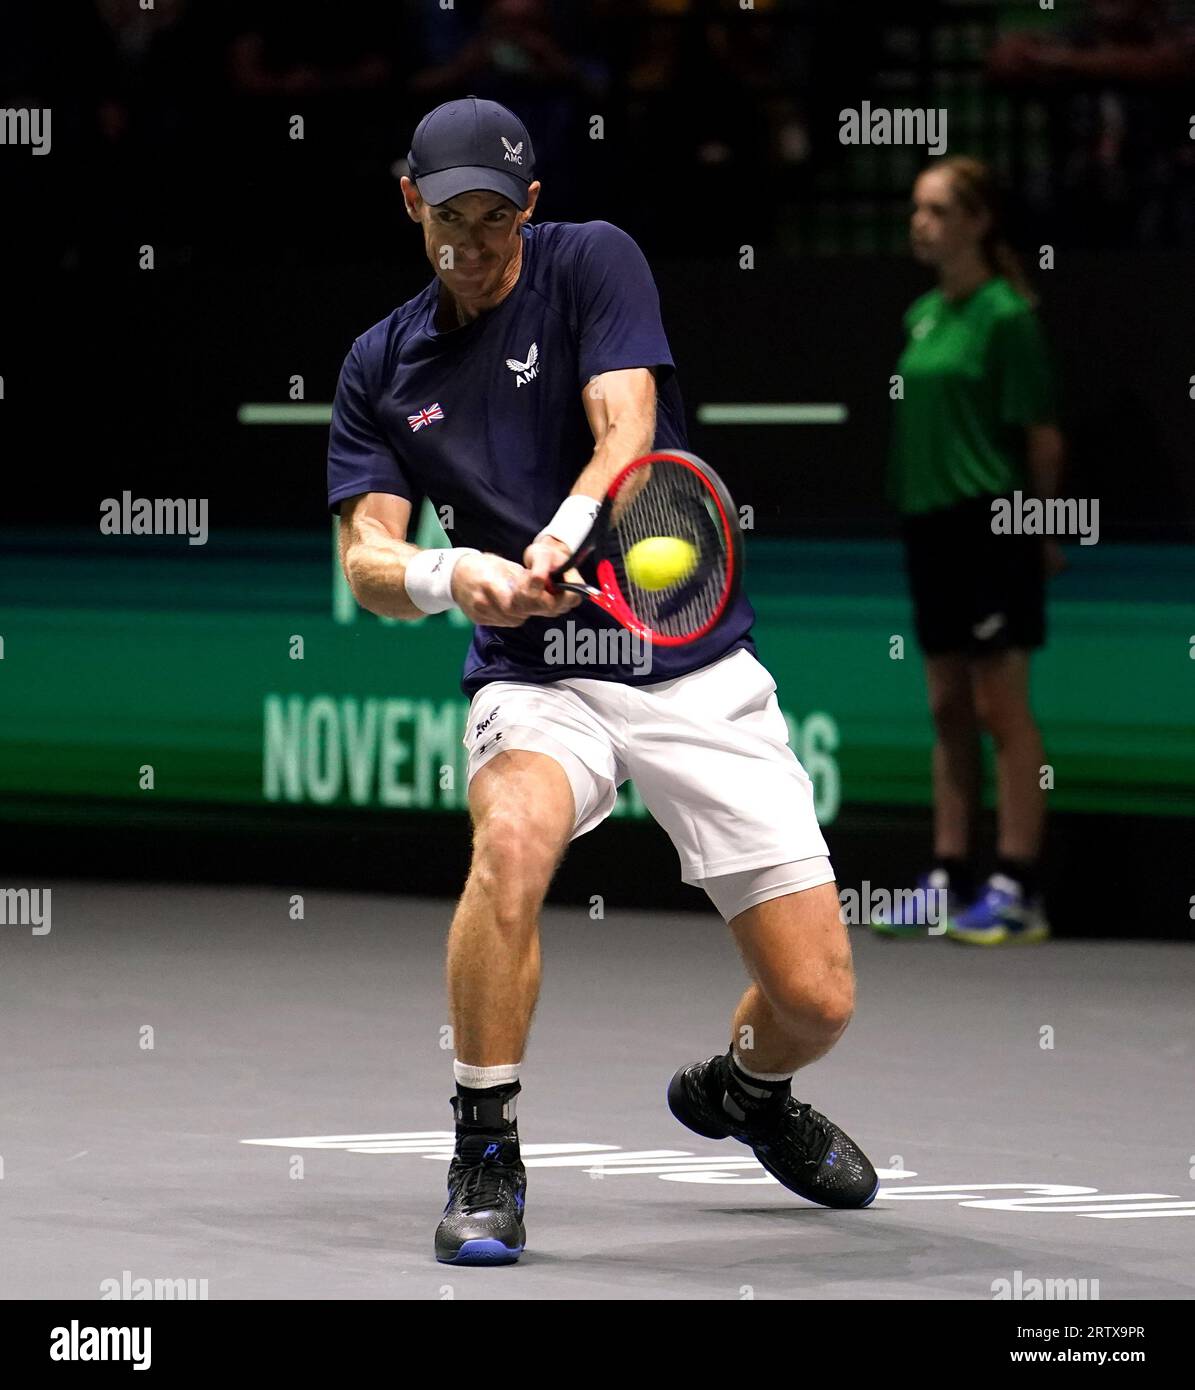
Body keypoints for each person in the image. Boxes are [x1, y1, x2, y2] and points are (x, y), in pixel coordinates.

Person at [328, 96, 878, 1267]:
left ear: (529, 206)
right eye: (448, 217)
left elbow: (624, 426)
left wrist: (557, 536)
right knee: (509, 838)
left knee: (816, 1001)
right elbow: (366, 561)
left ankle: (747, 1093)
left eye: (495, 217)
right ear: (410, 202)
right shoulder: (379, 363)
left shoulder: (593, 261)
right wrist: (452, 573)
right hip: (537, 679)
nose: (471, 243)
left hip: (687, 664)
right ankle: (485, 1145)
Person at [871, 156, 1065, 947]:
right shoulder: (921, 314)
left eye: (938, 210)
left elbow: (1041, 437)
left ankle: (1016, 886)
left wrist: (1040, 529)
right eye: (916, 209)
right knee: (945, 706)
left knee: (998, 709)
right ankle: (946, 878)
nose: (920, 223)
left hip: (993, 525)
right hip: (929, 528)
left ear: (978, 222)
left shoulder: (1007, 316)